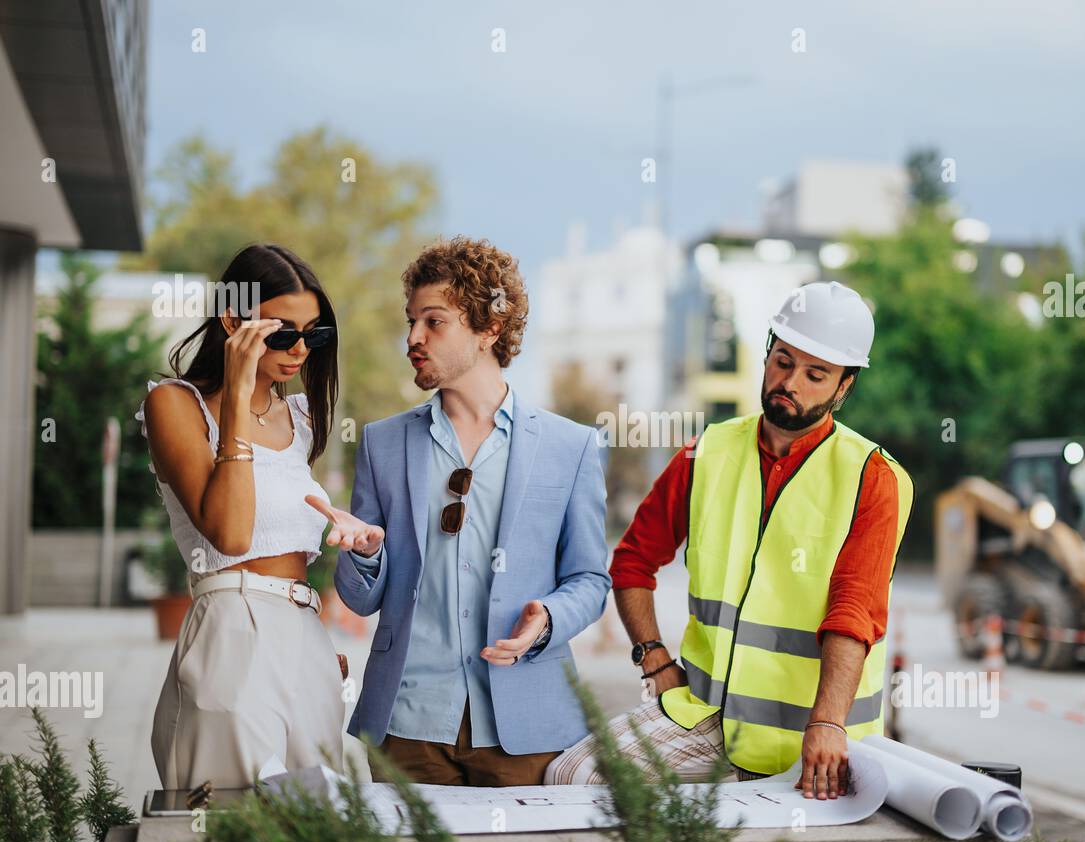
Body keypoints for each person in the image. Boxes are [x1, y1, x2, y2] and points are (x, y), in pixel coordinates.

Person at [545, 281, 915, 799]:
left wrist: (828, 724)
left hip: (819, 738)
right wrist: (653, 657)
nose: (791, 381)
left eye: (816, 374)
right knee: (572, 778)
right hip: (706, 718)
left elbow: (854, 611)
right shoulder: (706, 454)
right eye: (783, 361)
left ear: (843, 387)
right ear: (766, 354)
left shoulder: (872, 477)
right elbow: (631, 563)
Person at [316, 236, 611, 787]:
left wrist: (547, 619)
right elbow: (360, 598)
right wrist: (368, 554)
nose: (413, 338)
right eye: (411, 321)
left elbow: (590, 579)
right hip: (409, 725)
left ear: (489, 328)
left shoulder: (569, 448)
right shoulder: (383, 444)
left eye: (434, 321)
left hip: (528, 724)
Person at [139, 243, 345, 790]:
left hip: (306, 637)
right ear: (234, 320)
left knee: (319, 825)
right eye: (282, 333)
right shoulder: (173, 404)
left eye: (314, 333)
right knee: (233, 819)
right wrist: (236, 393)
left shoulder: (301, 417)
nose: (301, 349)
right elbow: (230, 533)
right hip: (232, 627)